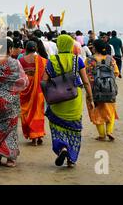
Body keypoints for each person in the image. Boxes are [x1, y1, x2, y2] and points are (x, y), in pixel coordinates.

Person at [43, 34, 93, 168]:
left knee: (57, 127)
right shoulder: (78, 60)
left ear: (59, 45)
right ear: (71, 45)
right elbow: (86, 82)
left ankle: (62, 148)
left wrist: (46, 95)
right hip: (74, 98)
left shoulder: (52, 60)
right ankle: (71, 159)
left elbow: (43, 81)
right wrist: (90, 98)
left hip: (57, 100)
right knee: (74, 129)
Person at [0, 38, 28, 167]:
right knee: (11, 128)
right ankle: (10, 158)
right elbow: (24, 81)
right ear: (9, 49)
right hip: (11, 99)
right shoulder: (15, 63)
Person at [85, 39, 119, 141]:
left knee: (96, 111)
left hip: (94, 89)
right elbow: (116, 72)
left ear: (95, 48)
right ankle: (109, 131)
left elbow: (88, 75)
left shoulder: (89, 60)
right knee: (110, 110)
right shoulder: (111, 59)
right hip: (109, 89)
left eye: (93, 46)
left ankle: (102, 135)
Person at [18, 41, 47, 145]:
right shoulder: (43, 61)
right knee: (38, 112)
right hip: (38, 89)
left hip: (25, 88)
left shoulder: (20, 60)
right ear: (36, 49)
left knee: (26, 112)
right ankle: (38, 135)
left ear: (26, 49)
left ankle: (32, 136)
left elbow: (19, 77)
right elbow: (45, 77)